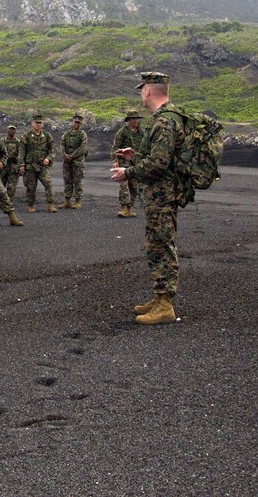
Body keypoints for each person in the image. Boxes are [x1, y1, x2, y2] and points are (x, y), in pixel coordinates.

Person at [110, 72, 184, 326]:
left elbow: (159, 164)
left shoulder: (164, 121)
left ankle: (165, 305)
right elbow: (160, 158)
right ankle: (160, 296)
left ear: (149, 90)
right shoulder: (164, 118)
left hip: (162, 195)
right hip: (159, 195)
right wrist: (136, 156)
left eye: (142, 89)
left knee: (162, 245)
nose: (141, 94)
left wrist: (128, 172)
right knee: (156, 244)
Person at [18, 113, 57, 213]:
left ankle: (51, 204)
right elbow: (21, 151)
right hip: (30, 166)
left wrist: (49, 159)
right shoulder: (26, 136)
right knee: (31, 187)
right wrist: (22, 165)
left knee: (48, 184)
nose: (38, 124)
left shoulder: (47, 136)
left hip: (42, 166)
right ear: (32, 123)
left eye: (40, 123)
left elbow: (52, 150)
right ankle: (31, 205)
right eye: (36, 123)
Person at [112, 110, 145, 217]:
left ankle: (130, 208)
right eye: (133, 119)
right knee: (124, 186)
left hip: (136, 163)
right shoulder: (122, 132)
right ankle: (124, 207)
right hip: (124, 162)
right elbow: (115, 148)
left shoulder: (142, 133)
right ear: (129, 120)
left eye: (137, 119)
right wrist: (115, 161)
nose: (136, 121)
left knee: (134, 187)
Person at [60, 114, 88, 209]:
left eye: (79, 123)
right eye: (75, 122)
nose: (77, 124)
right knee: (67, 180)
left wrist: (72, 156)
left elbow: (83, 148)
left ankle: (77, 201)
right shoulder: (66, 134)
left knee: (77, 181)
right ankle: (67, 201)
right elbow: (62, 145)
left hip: (78, 161)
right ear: (72, 122)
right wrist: (64, 155)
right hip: (67, 161)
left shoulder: (82, 134)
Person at [3, 124, 21, 202]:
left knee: (11, 187)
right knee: (0, 186)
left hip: (13, 167)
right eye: (10, 129)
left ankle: (9, 203)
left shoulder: (18, 142)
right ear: (7, 130)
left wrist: (20, 166)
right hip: (3, 167)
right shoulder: (2, 141)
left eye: (13, 129)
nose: (11, 131)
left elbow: (20, 155)